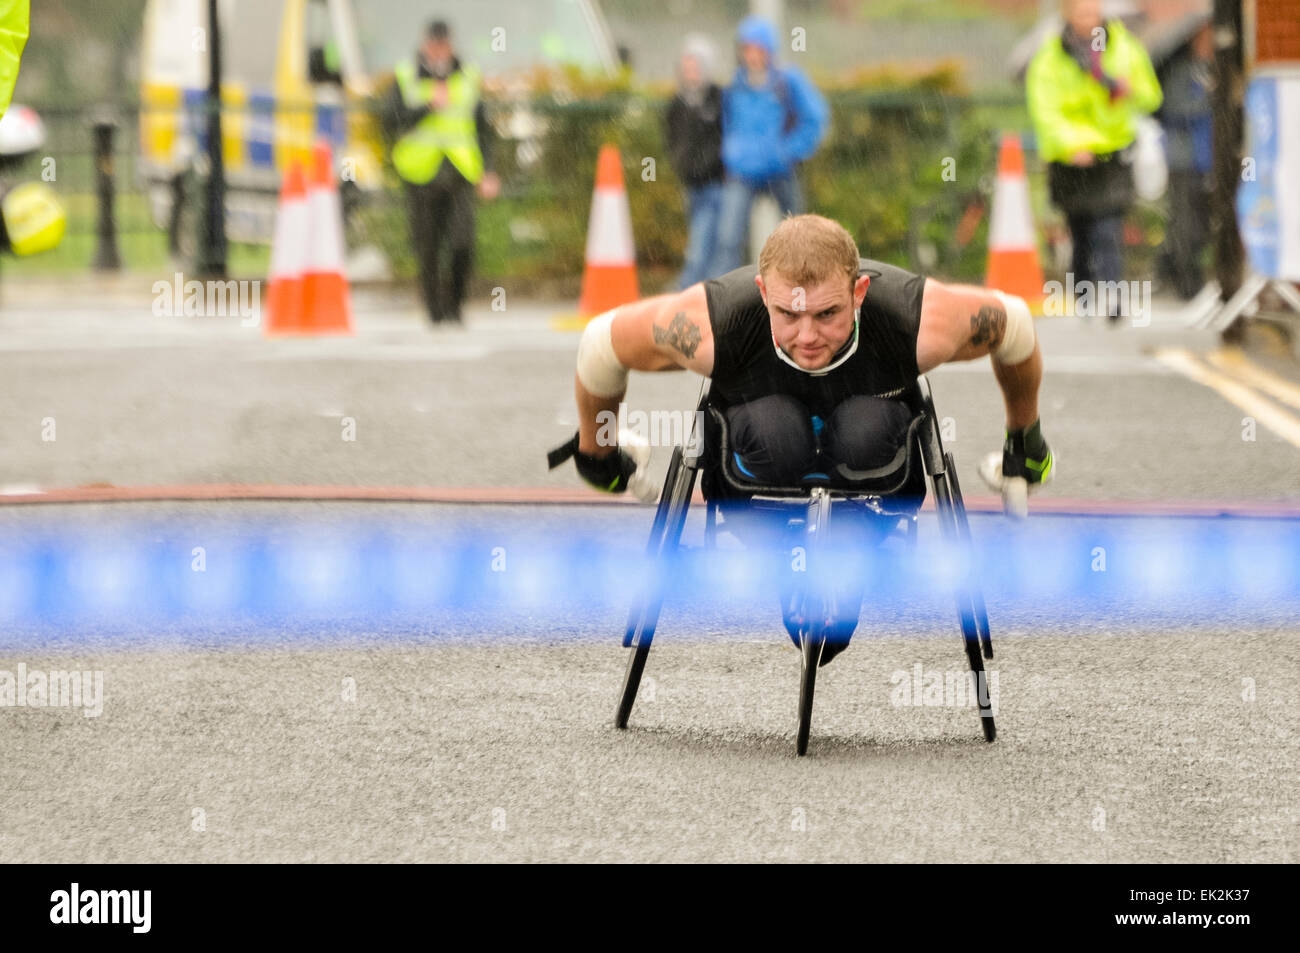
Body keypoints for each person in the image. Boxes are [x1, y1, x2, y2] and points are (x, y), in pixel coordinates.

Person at [549, 214, 1053, 665]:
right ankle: (787, 561)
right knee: (776, 429)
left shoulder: (916, 318)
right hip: (761, 473)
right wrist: (599, 452)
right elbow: (601, 341)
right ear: (764, 292)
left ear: (859, 293)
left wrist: (1023, 440)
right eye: (789, 315)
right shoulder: (712, 324)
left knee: (865, 428)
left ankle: (847, 563)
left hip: (874, 471)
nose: (807, 336)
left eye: (827, 314)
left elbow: (1015, 326)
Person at [1026, 0, 1161, 322]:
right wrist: (1073, 145)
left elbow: (1151, 96)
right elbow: (1045, 110)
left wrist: (1129, 89)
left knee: (1108, 228)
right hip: (1072, 161)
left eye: (1094, 12)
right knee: (1081, 230)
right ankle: (1084, 295)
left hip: (1112, 155)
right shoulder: (1050, 57)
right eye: (1082, 13)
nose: (1089, 19)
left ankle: (1114, 298)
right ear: (1068, 16)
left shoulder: (1126, 49)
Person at [385, 19, 499, 325]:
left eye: (443, 44)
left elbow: (484, 129)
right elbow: (392, 120)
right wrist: (426, 106)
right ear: (425, 45)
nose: (438, 51)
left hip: (461, 171)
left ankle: (455, 305)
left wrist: (489, 170)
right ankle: (435, 311)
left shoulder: (468, 76)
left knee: (463, 243)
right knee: (428, 245)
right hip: (421, 173)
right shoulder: (406, 75)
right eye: (434, 45)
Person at [711, 16, 828, 275]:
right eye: (747, 49)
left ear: (770, 51)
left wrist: (788, 151)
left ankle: (803, 284)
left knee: (798, 237)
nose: (752, 56)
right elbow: (727, 126)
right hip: (741, 173)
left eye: (758, 49)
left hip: (780, 171)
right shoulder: (734, 86)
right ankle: (721, 300)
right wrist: (731, 153)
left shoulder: (788, 82)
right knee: (727, 240)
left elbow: (816, 118)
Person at [1156, 21, 1213, 300]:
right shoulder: (1181, 71)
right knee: (1184, 222)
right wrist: (1213, 99)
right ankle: (1185, 282)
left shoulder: (1217, 69)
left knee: (1202, 224)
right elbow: (1174, 108)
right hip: (1184, 159)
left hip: (1211, 160)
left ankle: (1170, 268)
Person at [665, 34, 724, 290]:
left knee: (705, 246)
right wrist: (684, 165)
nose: (691, 72)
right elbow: (672, 141)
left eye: (696, 66)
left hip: (715, 184)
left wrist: (706, 164)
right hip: (692, 185)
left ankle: (685, 292)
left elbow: (721, 139)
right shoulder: (676, 104)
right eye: (686, 66)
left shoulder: (718, 99)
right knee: (703, 243)